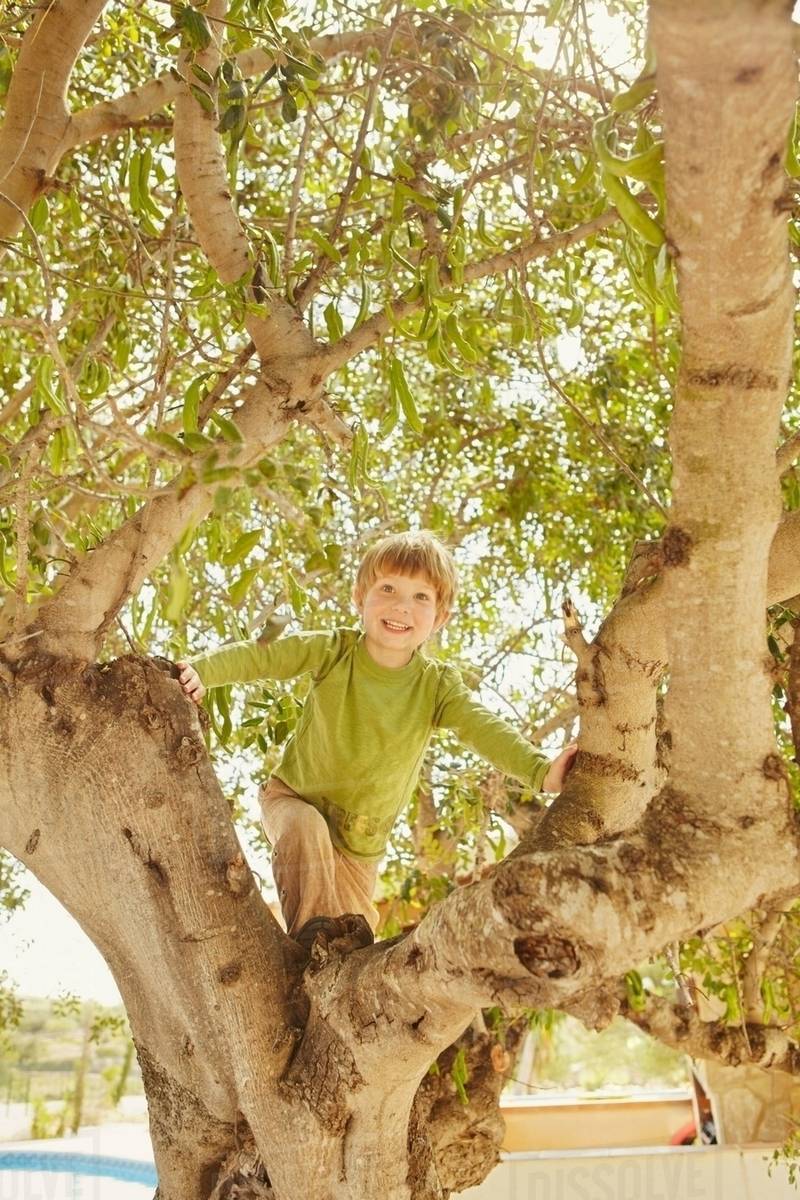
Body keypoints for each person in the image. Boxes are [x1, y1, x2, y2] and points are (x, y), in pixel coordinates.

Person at [177, 531, 576, 951]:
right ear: (360, 597)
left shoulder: (436, 686)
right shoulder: (334, 651)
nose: (402, 606)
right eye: (388, 589)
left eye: (421, 597)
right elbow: (263, 656)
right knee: (308, 848)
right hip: (294, 800)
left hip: (359, 846)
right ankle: (306, 948)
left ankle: (326, 968)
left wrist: (541, 772)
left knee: (353, 934)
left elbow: (482, 726)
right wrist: (203, 671)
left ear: (440, 617)